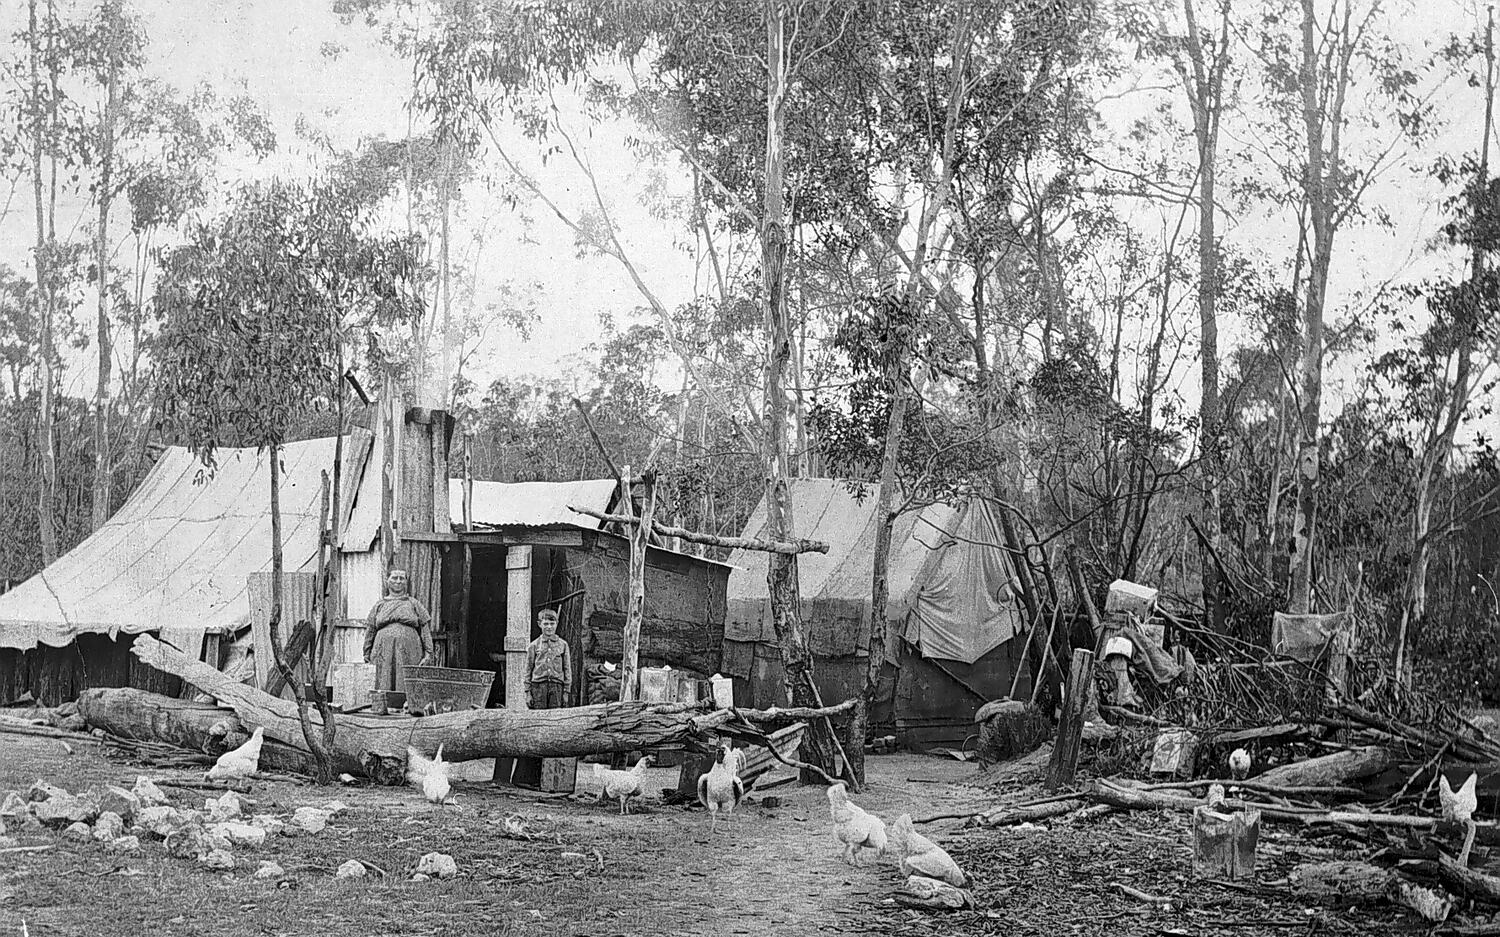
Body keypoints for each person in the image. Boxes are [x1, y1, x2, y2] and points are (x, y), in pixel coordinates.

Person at [362, 569, 434, 696]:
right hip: (383, 650)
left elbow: (425, 629)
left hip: (410, 650)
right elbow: (370, 630)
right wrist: (366, 652)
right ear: (387, 581)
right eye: (394, 578)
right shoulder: (379, 605)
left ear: (406, 582)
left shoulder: (414, 603)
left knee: (406, 680)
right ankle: (382, 706)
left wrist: (428, 653)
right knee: (384, 678)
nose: (398, 581)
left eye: (402, 578)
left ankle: (408, 707)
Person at [524, 608, 572, 709]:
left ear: (557, 623)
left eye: (552, 623)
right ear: (539, 624)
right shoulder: (534, 645)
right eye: (546, 624)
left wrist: (566, 692)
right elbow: (528, 669)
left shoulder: (563, 645)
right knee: (538, 717)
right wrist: (528, 693)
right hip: (538, 688)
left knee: (556, 718)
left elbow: (567, 669)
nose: (549, 627)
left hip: (557, 687)